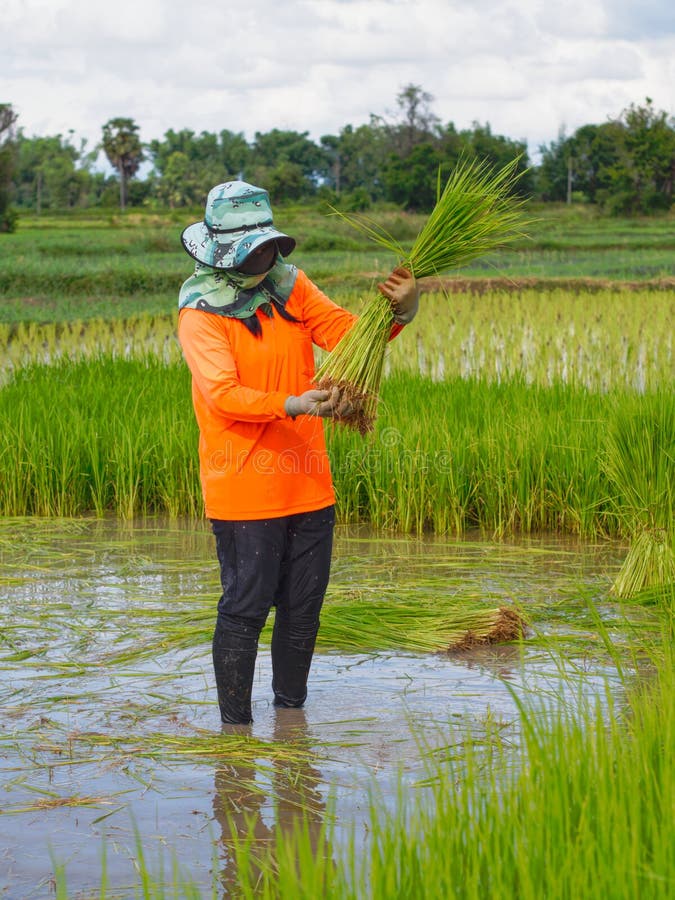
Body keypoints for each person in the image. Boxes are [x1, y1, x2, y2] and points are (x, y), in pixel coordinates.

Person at [178, 180, 419, 725]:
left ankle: (292, 724)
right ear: (223, 252)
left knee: (303, 612)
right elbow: (222, 394)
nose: (266, 258)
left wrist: (399, 314)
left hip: (308, 483)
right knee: (244, 610)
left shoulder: (291, 286)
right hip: (245, 486)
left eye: (268, 247)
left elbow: (347, 337)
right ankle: (235, 736)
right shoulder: (200, 314)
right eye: (253, 251)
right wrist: (293, 403)